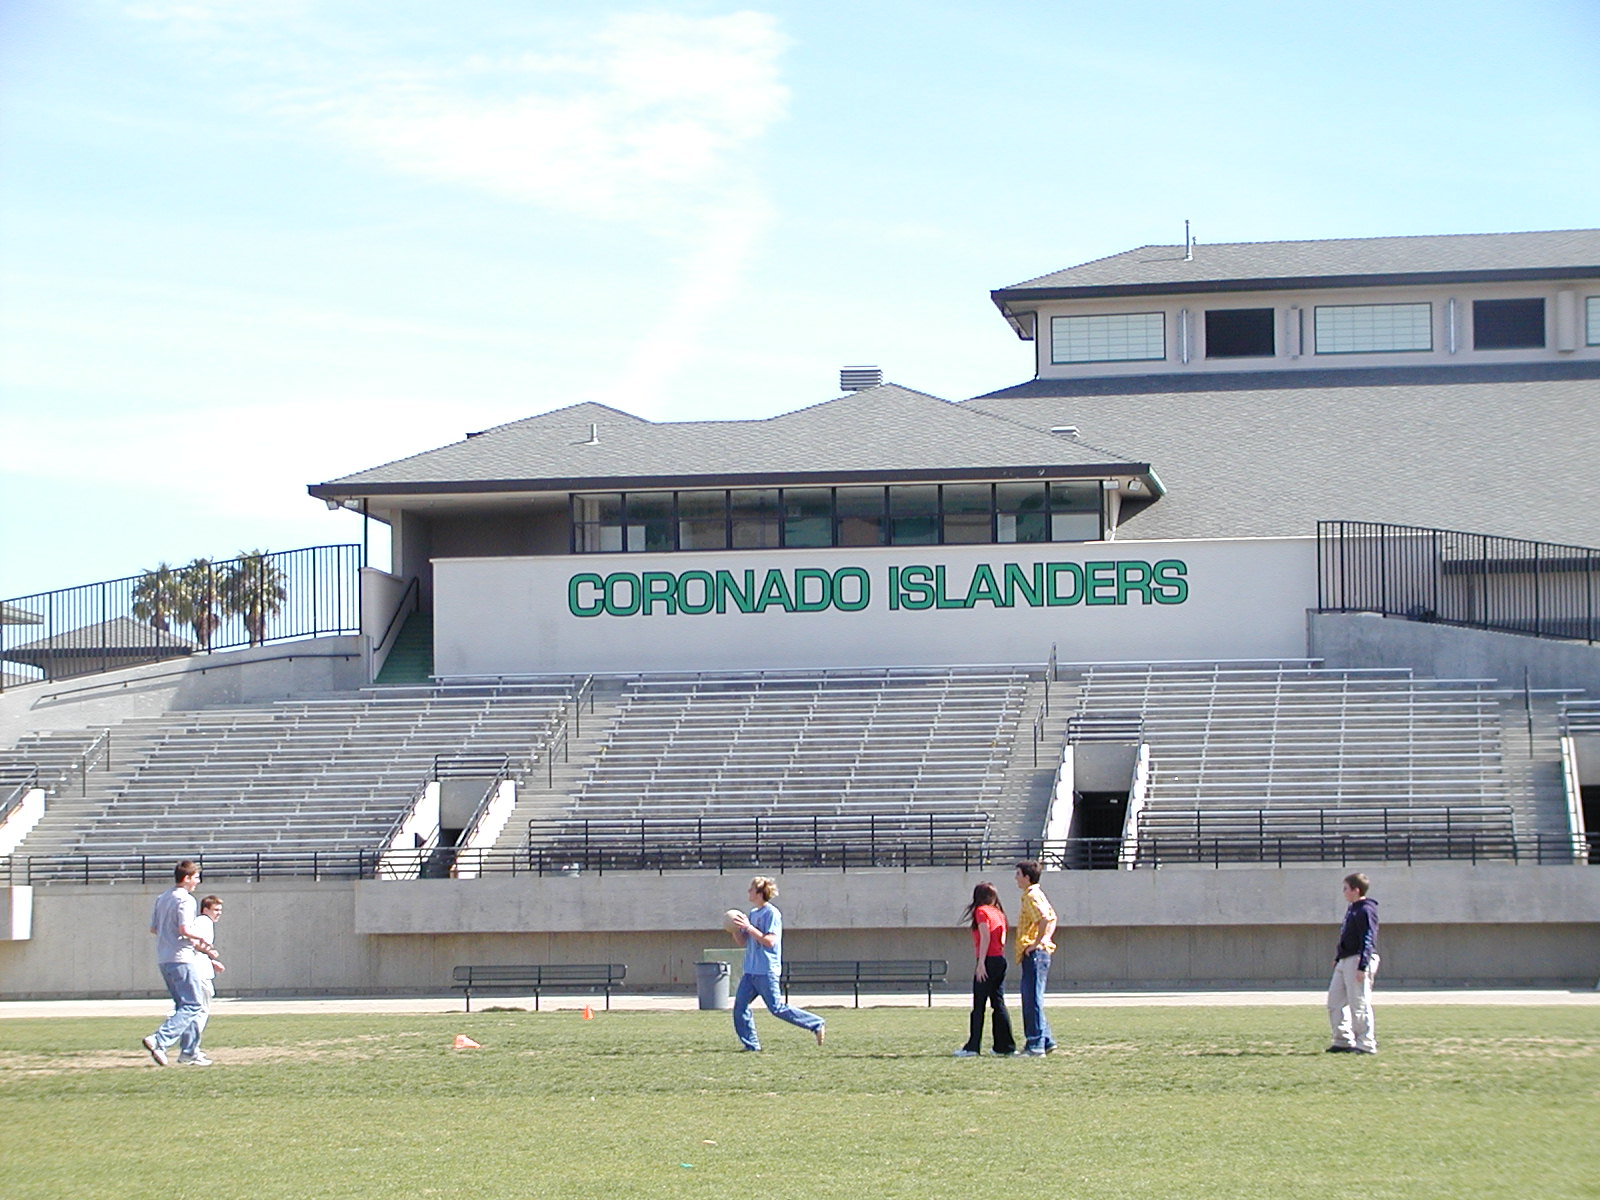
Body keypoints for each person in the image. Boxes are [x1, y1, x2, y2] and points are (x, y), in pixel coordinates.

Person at [728, 876, 825, 1051]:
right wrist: (734, 929)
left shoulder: (772, 913)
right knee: (739, 1008)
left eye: (751, 889)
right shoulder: (753, 913)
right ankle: (751, 1046)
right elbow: (743, 942)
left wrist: (749, 927)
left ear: (759, 893)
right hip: (750, 972)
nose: (748, 892)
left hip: (766, 970)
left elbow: (770, 941)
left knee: (776, 1008)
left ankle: (816, 1023)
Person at [142, 860, 217, 1066]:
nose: (197, 882)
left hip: (164, 958)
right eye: (195, 877)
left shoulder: (162, 898)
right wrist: (199, 939)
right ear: (186, 878)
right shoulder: (186, 899)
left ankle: (189, 1052)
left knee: (184, 1006)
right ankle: (159, 1039)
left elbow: (154, 929)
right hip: (182, 958)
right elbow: (184, 929)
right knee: (194, 1004)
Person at [954, 882, 1016, 1057]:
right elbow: (1001, 938)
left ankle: (973, 1046)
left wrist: (981, 963)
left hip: (987, 960)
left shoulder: (981, 912)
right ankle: (1004, 1046)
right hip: (1000, 959)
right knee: (998, 1003)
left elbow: (985, 936)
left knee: (979, 1005)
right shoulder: (999, 913)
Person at [1326, 872, 1380, 1055]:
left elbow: (1368, 937)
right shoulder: (1353, 909)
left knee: (1359, 1003)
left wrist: (1363, 965)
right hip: (1345, 959)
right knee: (1335, 1002)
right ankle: (1343, 1040)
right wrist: (1338, 956)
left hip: (1357, 959)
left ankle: (1366, 1043)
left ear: (1356, 890)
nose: (1344, 892)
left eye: (1346, 889)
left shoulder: (1365, 909)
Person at [1014, 860, 1058, 1056]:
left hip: (1035, 954)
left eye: (1018, 874)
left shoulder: (1031, 895)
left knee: (1031, 998)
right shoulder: (1038, 894)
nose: (1016, 878)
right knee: (1034, 996)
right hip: (1040, 952)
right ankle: (1046, 1040)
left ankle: (1035, 1044)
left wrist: (1036, 943)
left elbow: (1044, 919)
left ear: (1027, 877)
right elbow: (1052, 917)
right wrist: (1046, 938)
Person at [178, 895, 226, 1066]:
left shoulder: (205, 922)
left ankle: (189, 1049)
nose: (218, 913)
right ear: (206, 909)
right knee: (200, 1012)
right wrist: (210, 953)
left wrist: (212, 961)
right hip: (199, 973)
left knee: (198, 1011)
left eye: (220, 910)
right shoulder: (203, 922)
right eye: (215, 910)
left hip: (200, 970)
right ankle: (190, 1050)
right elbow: (193, 942)